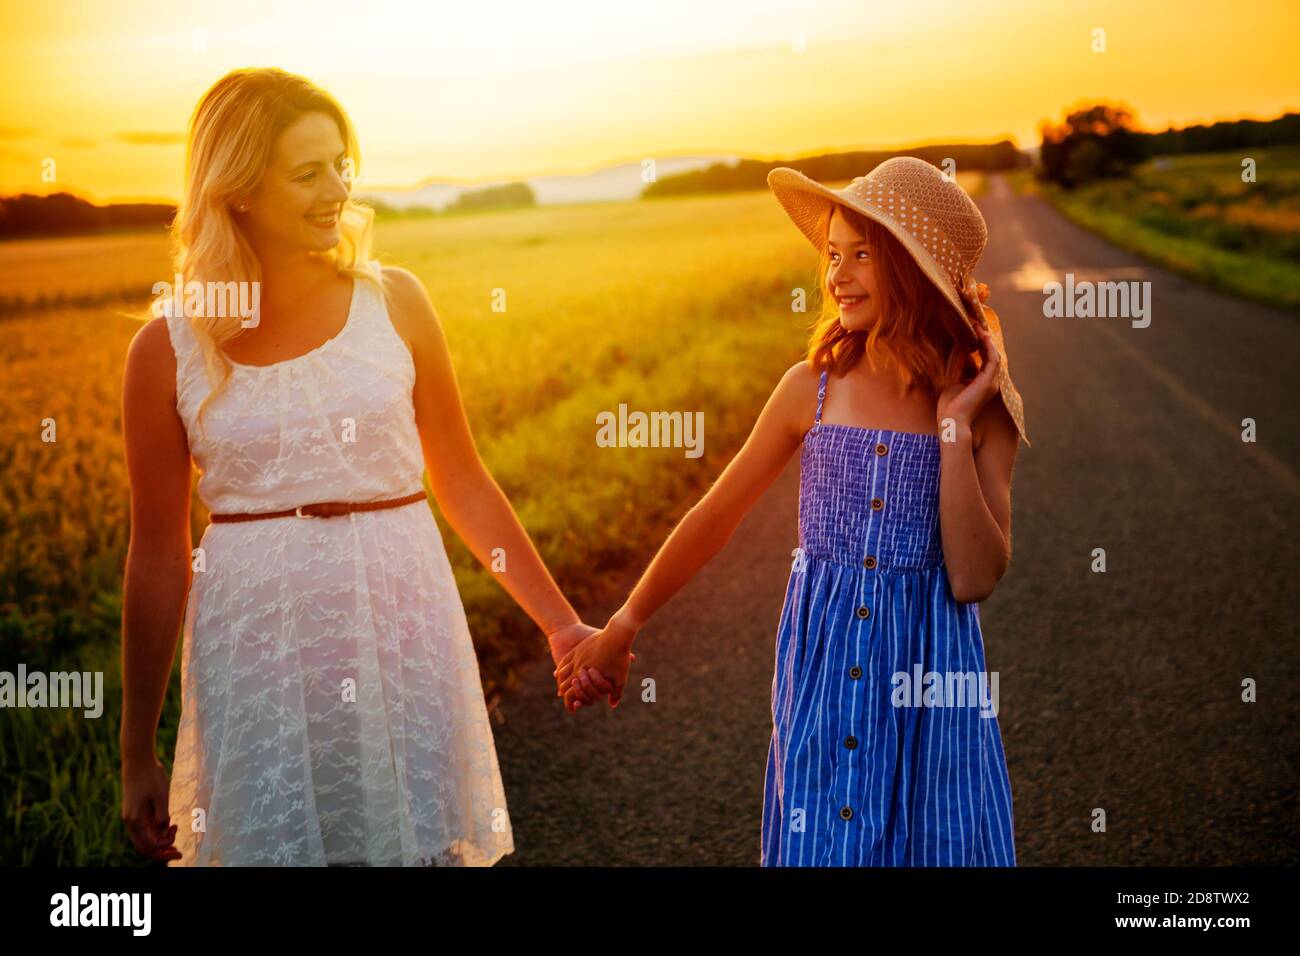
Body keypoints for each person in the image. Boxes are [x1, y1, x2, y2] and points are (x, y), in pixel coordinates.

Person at [118, 67, 609, 866]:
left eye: (341, 164)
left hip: (399, 618)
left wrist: (560, 626)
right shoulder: (164, 350)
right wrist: (136, 747)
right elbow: (159, 554)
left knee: (407, 842)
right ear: (237, 188)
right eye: (307, 172)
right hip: (255, 647)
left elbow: (461, 479)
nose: (337, 188)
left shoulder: (397, 303)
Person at [556, 157, 1028, 865]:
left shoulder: (986, 410)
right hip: (826, 678)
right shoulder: (811, 388)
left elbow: (974, 578)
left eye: (863, 255)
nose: (837, 274)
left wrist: (952, 427)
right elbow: (715, 517)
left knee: (939, 838)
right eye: (832, 254)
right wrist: (622, 626)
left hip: (935, 694)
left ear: (918, 268)